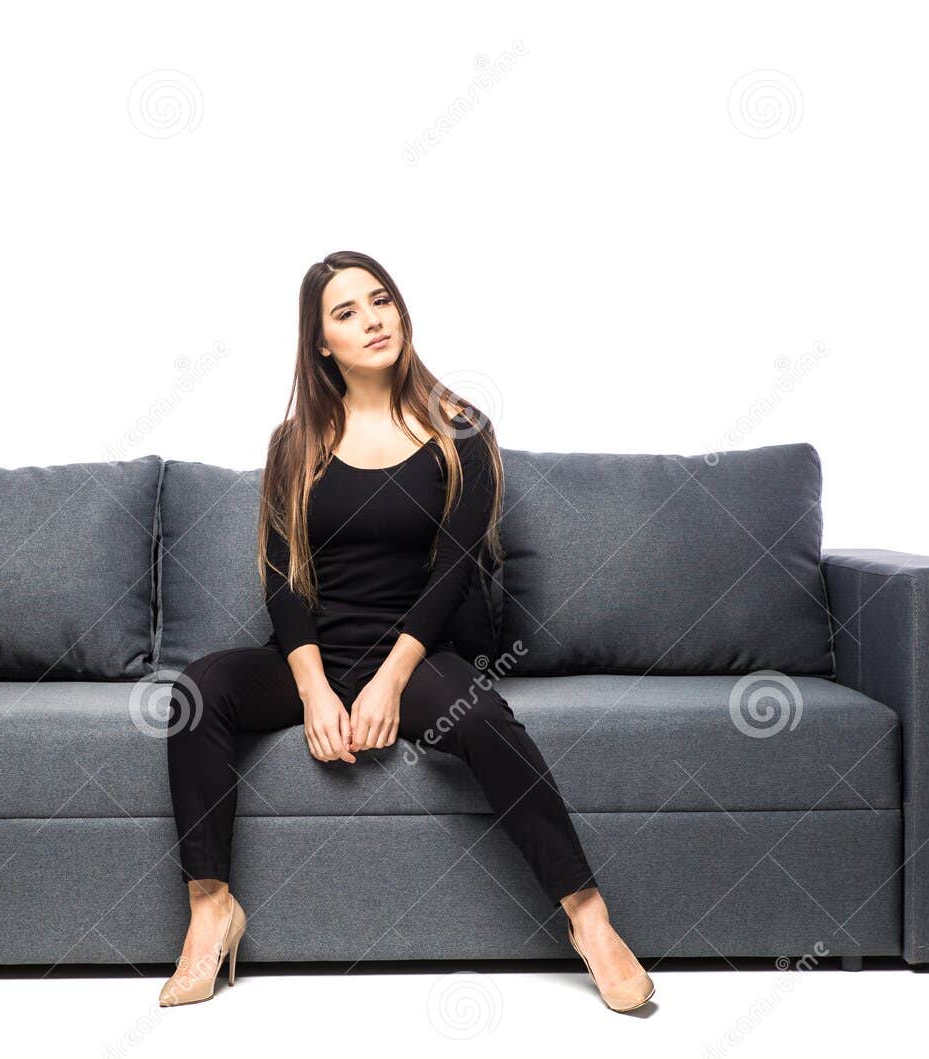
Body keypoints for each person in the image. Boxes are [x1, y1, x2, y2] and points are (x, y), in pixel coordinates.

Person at [160, 251, 655, 1013]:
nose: (372, 320)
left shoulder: (461, 432)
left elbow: (453, 572)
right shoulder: (294, 441)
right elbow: (282, 579)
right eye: (347, 312)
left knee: (485, 720)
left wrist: (391, 679)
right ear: (320, 341)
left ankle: (589, 919)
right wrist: (314, 687)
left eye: (380, 300)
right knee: (197, 693)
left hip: (417, 655)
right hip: (318, 654)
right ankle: (210, 910)